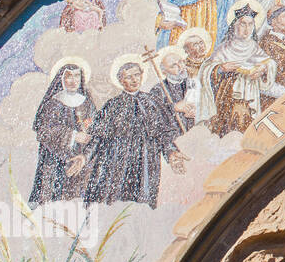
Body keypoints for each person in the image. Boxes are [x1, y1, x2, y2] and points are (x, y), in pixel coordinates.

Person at [75, 58, 186, 209]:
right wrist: (85, 156)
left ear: (142, 75)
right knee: (114, 205)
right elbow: (99, 138)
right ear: (121, 81)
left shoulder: (152, 102)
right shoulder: (113, 105)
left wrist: (171, 153)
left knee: (141, 206)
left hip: (146, 162)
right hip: (117, 163)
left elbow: (162, 135)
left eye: (136, 75)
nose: (134, 80)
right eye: (128, 77)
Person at [201, 1, 279, 135]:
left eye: (250, 24)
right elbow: (206, 69)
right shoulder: (224, 48)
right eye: (243, 24)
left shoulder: (254, 47)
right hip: (228, 94)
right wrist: (221, 68)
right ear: (235, 25)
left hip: (251, 93)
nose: (247, 28)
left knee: (248, 124)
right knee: (229, 125)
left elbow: (270, 62)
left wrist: (263, 68)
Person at [28, 59, 97, 207]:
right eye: (69, 76)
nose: (73, 80)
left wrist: (85, 155)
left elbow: (95, 132)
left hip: (81, 161)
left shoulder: (87, 103)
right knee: (52, 202)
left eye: (76, 76)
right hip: (55, 160)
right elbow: (44, 131)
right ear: (61, 78)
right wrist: (73, 135)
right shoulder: (53, 103)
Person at [150, 47, 200, 130]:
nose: (180, 67)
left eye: (180, 62)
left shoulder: (193, 82)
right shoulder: (158, 89)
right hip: (175, 132)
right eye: (173, 66)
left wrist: (197, 110)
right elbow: (154, 115)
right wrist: (174, 107)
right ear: (164, 72)